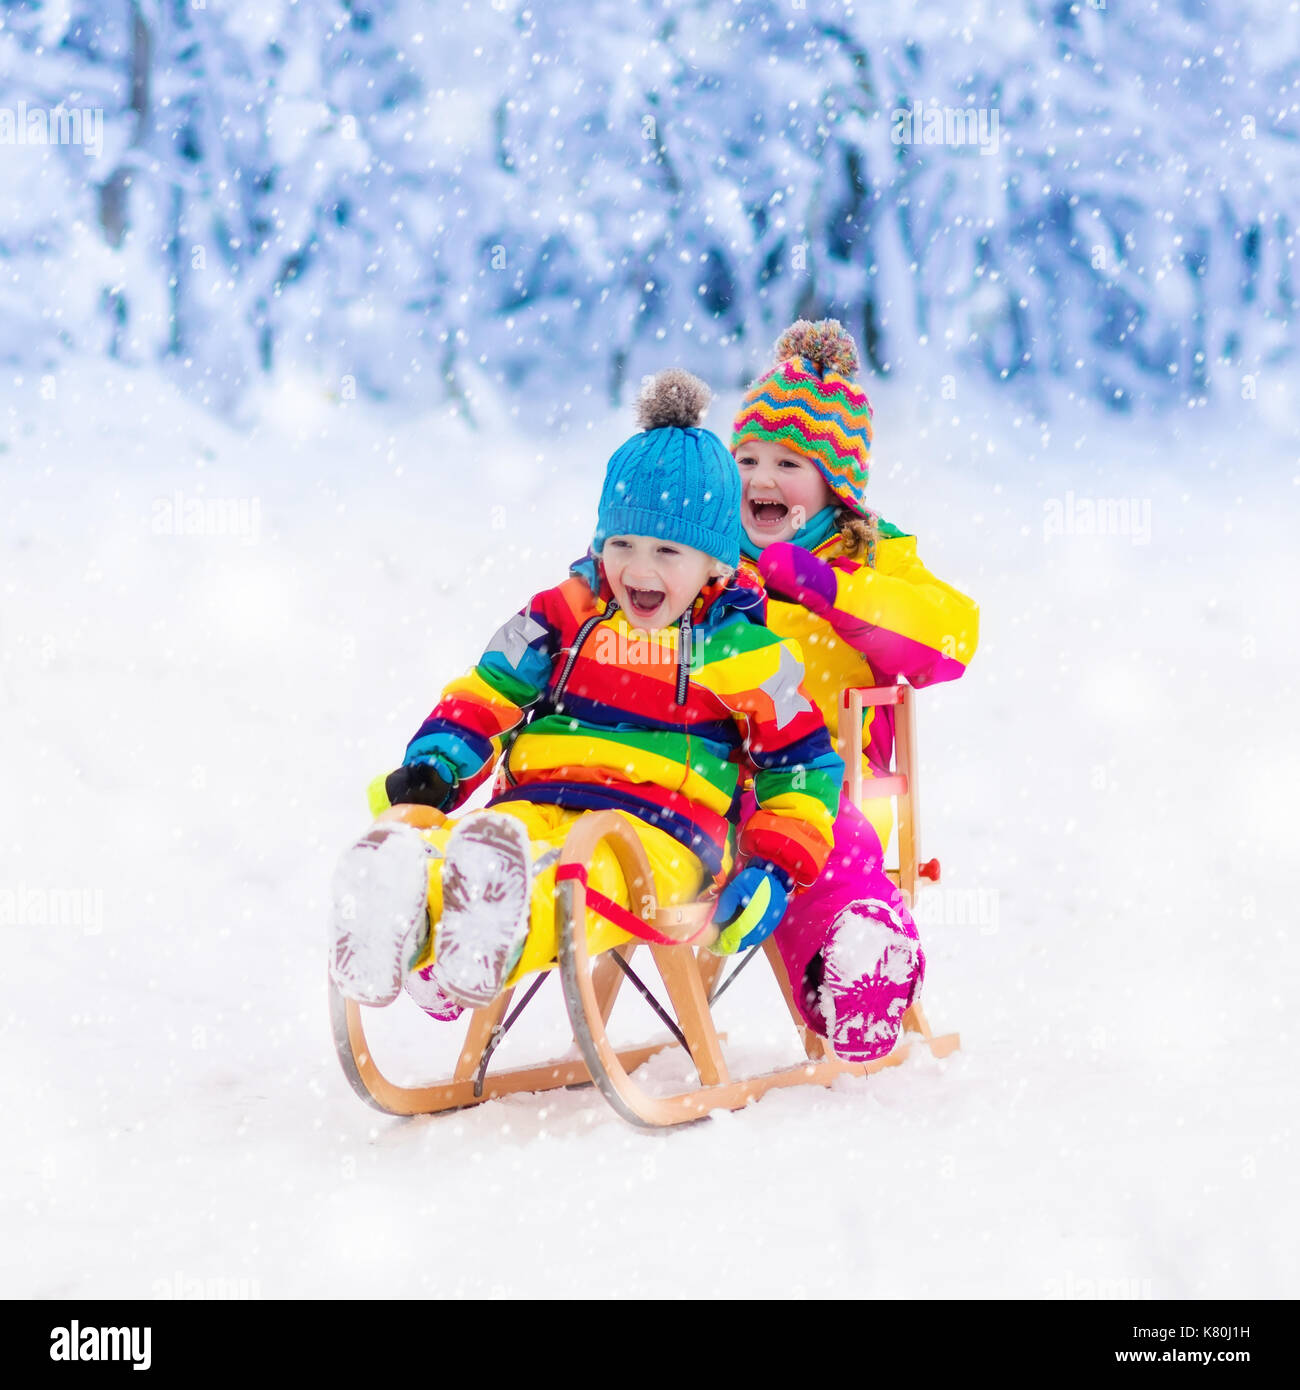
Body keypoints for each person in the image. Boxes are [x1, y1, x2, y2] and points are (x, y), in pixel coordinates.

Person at [329, 369, 844, 1021]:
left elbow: (803, 767)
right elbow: (491, 688)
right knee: (491, 843)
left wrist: (772, 868)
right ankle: (401, 912)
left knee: (580, 879)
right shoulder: (562, 615)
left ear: (715, 562)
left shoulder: (748, 654)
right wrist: (438, 763)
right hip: (537, 803)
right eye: (621, 543)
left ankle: (484, 943)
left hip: (665, 837)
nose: (639, 568)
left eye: (667, 550)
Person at [730, 320, 979, 1061]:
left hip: (823, 772)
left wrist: (832, 589)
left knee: (821, 834)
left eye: (786, 461)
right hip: (698, 764)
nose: (759, 479)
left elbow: (948, 636)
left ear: (836, 483)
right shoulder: (704, 550)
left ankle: (855, 966)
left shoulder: (873, 554)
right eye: (745, 458)